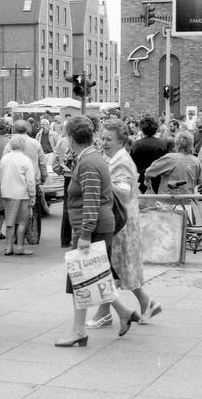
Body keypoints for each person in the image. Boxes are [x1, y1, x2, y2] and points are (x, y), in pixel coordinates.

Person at [55, 116, 139, 347]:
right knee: (94, 277)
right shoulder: (93, 158)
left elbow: (91, 200)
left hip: (92, 228)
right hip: (98, 226)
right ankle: (123, 312)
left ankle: (79, 331)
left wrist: (84, 234)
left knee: (80, 279)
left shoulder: (89, 162)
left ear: (71, 138)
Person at [88, 119, 161, 329]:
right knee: (118, 270)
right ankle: (146, 305)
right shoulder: (114, 158)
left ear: (121, 141)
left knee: (112, 269)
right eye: (102, 138)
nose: (103, 142)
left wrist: (102, 182)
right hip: (121, 222)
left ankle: (105, 313)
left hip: (121, 223)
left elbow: (124, 191)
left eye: (109, 139)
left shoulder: (121, 161)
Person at [0, 135, 36, 256]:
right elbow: (30, 180)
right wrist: (33, 195)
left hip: (7, 192)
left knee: (9, 222)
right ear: (23, 145)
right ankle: (20, 246)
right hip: (22, 194)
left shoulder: (5, 158)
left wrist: (1, 186)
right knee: (22, 222)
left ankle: (8, 247)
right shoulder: (25, 160)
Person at [129, 115, 165, 194]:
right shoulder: (162, 144)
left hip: (140, 177)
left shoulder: (136, 144)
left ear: (142, 129)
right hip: (157, 178)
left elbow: (131, 163)